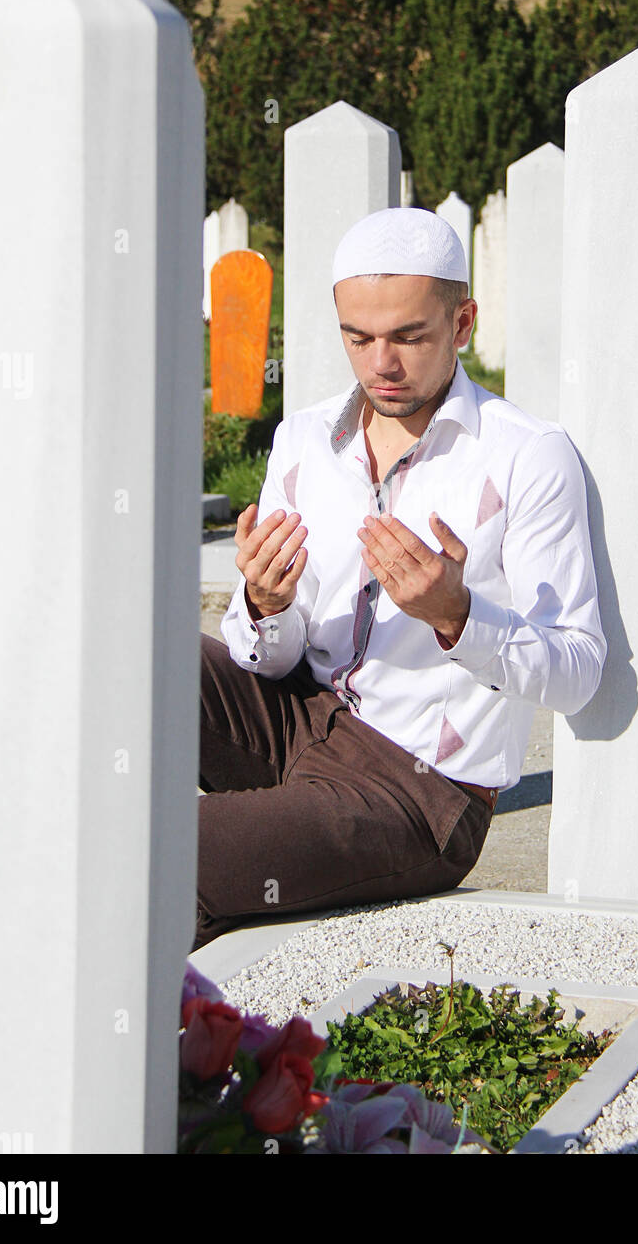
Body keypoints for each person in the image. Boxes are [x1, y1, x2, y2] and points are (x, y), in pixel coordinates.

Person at [194, 207, 606, 951]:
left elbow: (578, 671)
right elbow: (274, 656)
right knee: (129, 664)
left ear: (463, 323)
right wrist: (264, 604)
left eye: (408, 337)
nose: (381, 363)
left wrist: (457, 616)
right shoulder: (307, 439)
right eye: (359, 338)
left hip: (415, 787)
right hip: (296, 716)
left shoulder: (529, 456)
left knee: (167, 849)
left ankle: (162, 1043)